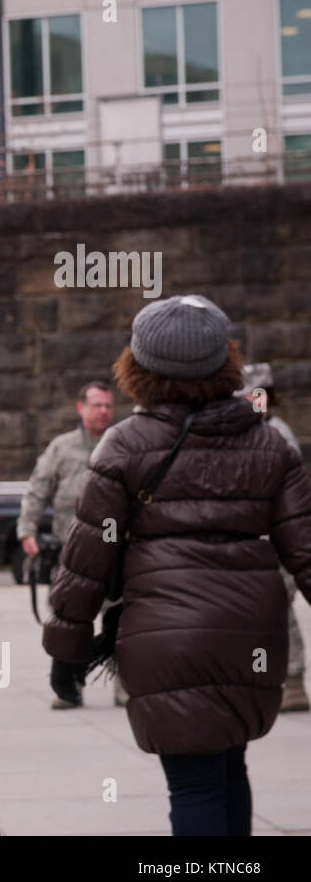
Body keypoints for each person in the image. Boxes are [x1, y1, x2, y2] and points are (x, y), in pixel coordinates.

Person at [45, 295, 311, 837]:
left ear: (137, 366)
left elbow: (87, 562)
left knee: (193, 784)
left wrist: (67, 653)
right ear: (225, 362)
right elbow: (304, 550)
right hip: (252, 637)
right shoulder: (269, 444)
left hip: (165, 640)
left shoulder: (123, 445)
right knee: (230, 766)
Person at [16, 381, 116, 709]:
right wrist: (27, 529)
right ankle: (67, 686)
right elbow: (38, 488)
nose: (103, 411)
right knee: (68, 622)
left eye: (108, 406)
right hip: (70, 552)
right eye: (97, 404)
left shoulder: (123, 444)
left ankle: (126, 685)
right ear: (81, 407)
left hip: (116, 551)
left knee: (123, 619)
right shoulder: (62, 447)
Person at [234, 363, 308, 712]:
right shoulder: (238, 434)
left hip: (275, 540)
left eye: (260, 394)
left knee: (278, 610)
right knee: (253, 615)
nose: (254, 400)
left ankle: (292, 679)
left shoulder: (278, 434)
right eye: (249, 394)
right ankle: (261, 677)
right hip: (248, 541)